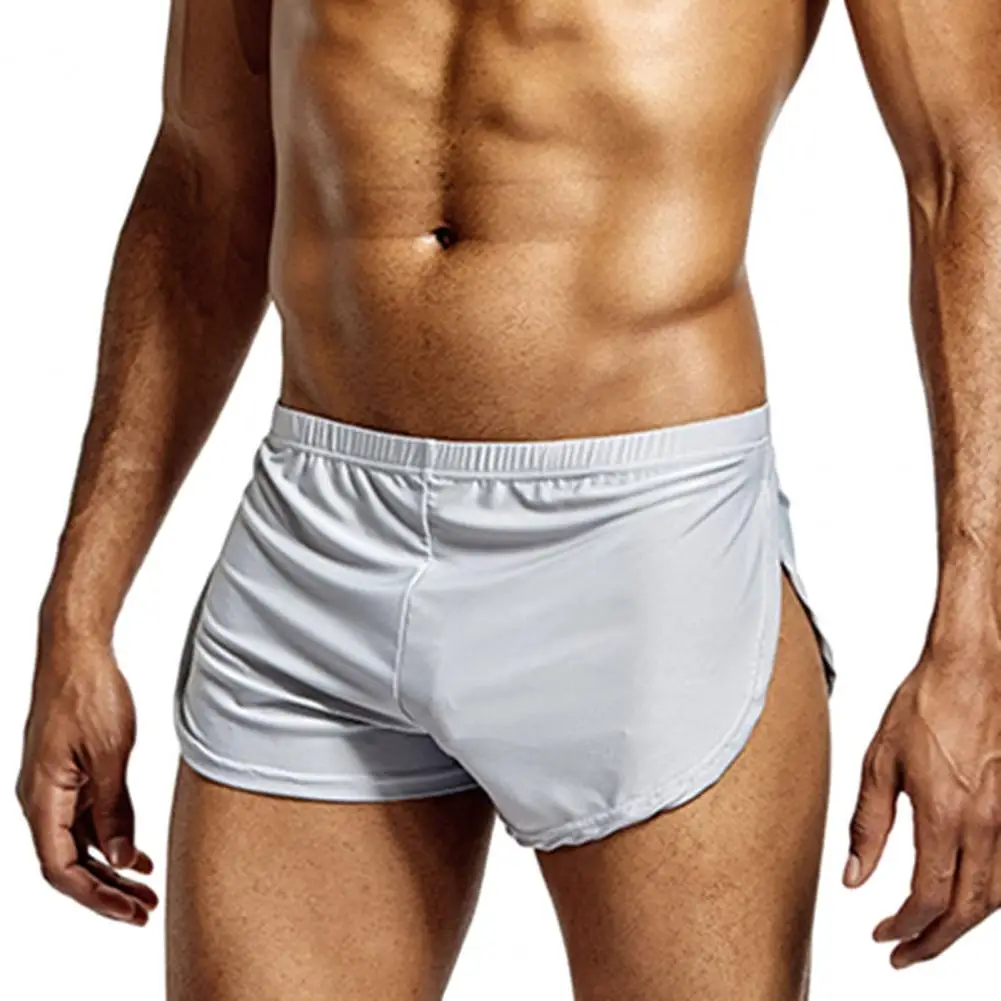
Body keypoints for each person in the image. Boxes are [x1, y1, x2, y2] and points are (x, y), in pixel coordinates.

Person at [15, 0, 1001, 997]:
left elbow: (968, 165)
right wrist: (78, 610)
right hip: (317, 551)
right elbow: (203, 176)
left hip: (641, 556)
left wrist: (974, 641)